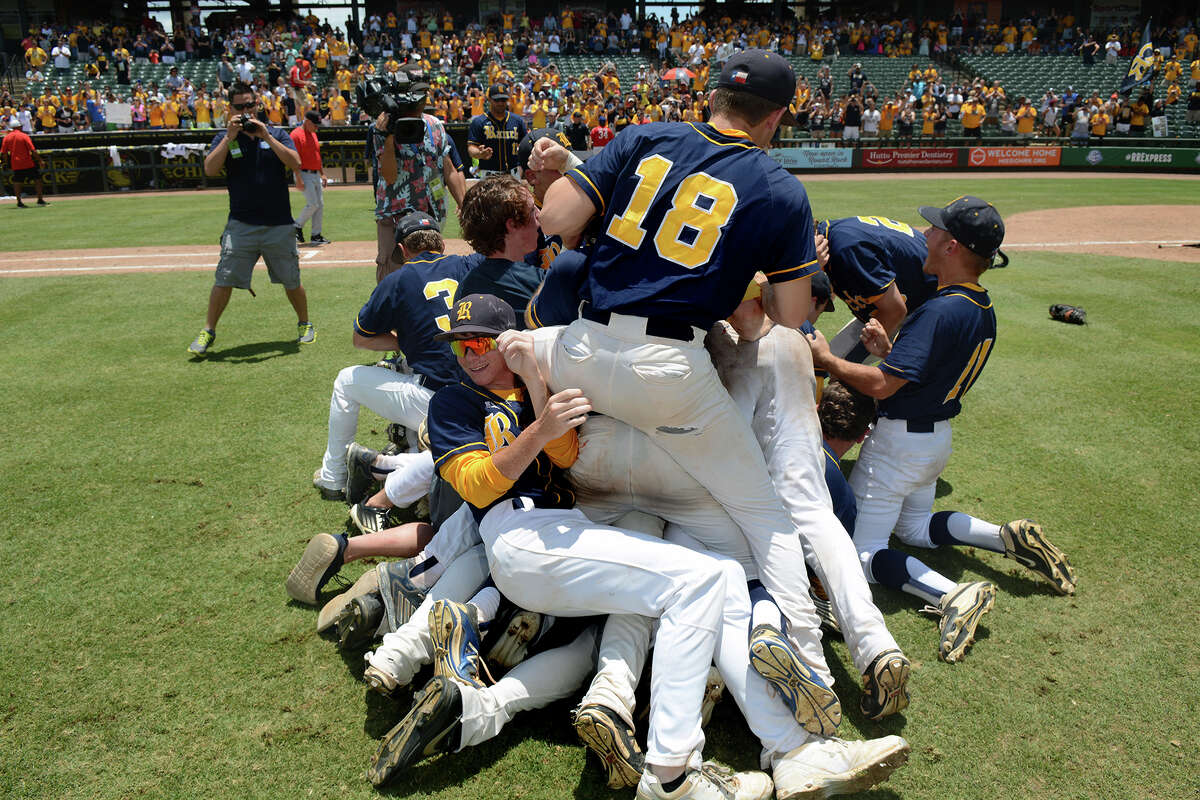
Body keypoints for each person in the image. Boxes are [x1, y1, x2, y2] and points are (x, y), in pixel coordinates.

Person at [528, 50, 907, 795]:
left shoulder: (642, 135)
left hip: (577, 352)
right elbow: (792, 319)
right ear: (776, 116)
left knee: (524, 353)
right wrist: (753, 273)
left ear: (710, 97)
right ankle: (806, 663)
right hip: (668, 369)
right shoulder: (776, 184)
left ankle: (600, 664)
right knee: (765, 520)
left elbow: (559, 219)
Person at [413, 293, 780, 799]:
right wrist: (540, 428)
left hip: (566, 530)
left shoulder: (533, 384)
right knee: (702, 580)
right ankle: (676, 774)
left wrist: (537, 385)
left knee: (704, 577)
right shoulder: (453, 400)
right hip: (519, 535)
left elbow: (565, 452)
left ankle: (510, 706)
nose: (472, 355)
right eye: (461, 347)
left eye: (481, 342)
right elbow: (476, 485)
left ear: (509, 342)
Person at [804, 196, 1077, 663]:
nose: (923, 235)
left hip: (899, 442)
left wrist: (829, 361)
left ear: (951, 246)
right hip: (935, 439)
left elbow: (884, 386)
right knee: (914, 529)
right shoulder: (979, 306)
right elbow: (925, 368)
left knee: (864, 556)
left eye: (933, 231)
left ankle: (951, 593)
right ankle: (1002, 536)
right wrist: (887, 346)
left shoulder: (936, 311)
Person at [310, 211, 481, 502]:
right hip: (482, 400)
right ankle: (407, 457)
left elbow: (361, 338)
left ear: (402, 249)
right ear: (441, 243)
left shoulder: (398, 280)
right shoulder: (469, 265)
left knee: (347, 381)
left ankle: (334, 477)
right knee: (407, 366)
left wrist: (402, 340)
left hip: (435, 401)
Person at [187, 82, 311, 358]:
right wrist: (229, 138)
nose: (246, 112)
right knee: (224, 279)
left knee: (291, 280)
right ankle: (208, 330)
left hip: (278, 223)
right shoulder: (225, 137)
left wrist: (266, 135)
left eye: (249, 106)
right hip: (241, 224)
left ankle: (304, 323)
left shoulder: (276, 133)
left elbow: (295, 162)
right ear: (230, 109)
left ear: (258, 105)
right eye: (240, 107)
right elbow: (210, 168)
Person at [372, 72, 465, 282]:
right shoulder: (381, 127)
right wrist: (387, 138)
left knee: (432, 274)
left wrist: (464, 205)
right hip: (395, 215)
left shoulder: (435, 125)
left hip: (430, 214)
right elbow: (389, 176)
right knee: (392, 276)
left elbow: (448, 168)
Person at [467, 84, 526, 176]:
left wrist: (521, 168)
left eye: (503, 100)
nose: (500, 103)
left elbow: (525, 146)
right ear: (489, 99)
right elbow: (471, 148)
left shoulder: (517, 121)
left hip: (513, 172)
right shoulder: (479, 122)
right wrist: (479, 153)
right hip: (488, 172)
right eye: (497, 100)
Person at [290, 110, 330, 245]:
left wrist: (322, 173)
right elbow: (293, 159)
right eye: (315, 125)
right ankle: (296, 226)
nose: (317, 128)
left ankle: (316, 235)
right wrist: (298, 178)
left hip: (314, 173)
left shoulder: (312, 134)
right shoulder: (296, 135)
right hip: (303, 173)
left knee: (320, 205)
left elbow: (316, 155)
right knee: (313, 204)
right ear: (307, 122)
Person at [2, 119, 48, 207]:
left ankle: (19, 202)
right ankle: (40, 199)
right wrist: (40, 160)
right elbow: (32, 150)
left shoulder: (6, 137)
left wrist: (7, 163)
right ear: (19, 127)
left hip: (16, 163)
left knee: (17, 182)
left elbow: (4, 153)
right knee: (37, 179)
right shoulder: (24, 136)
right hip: (27, 162)